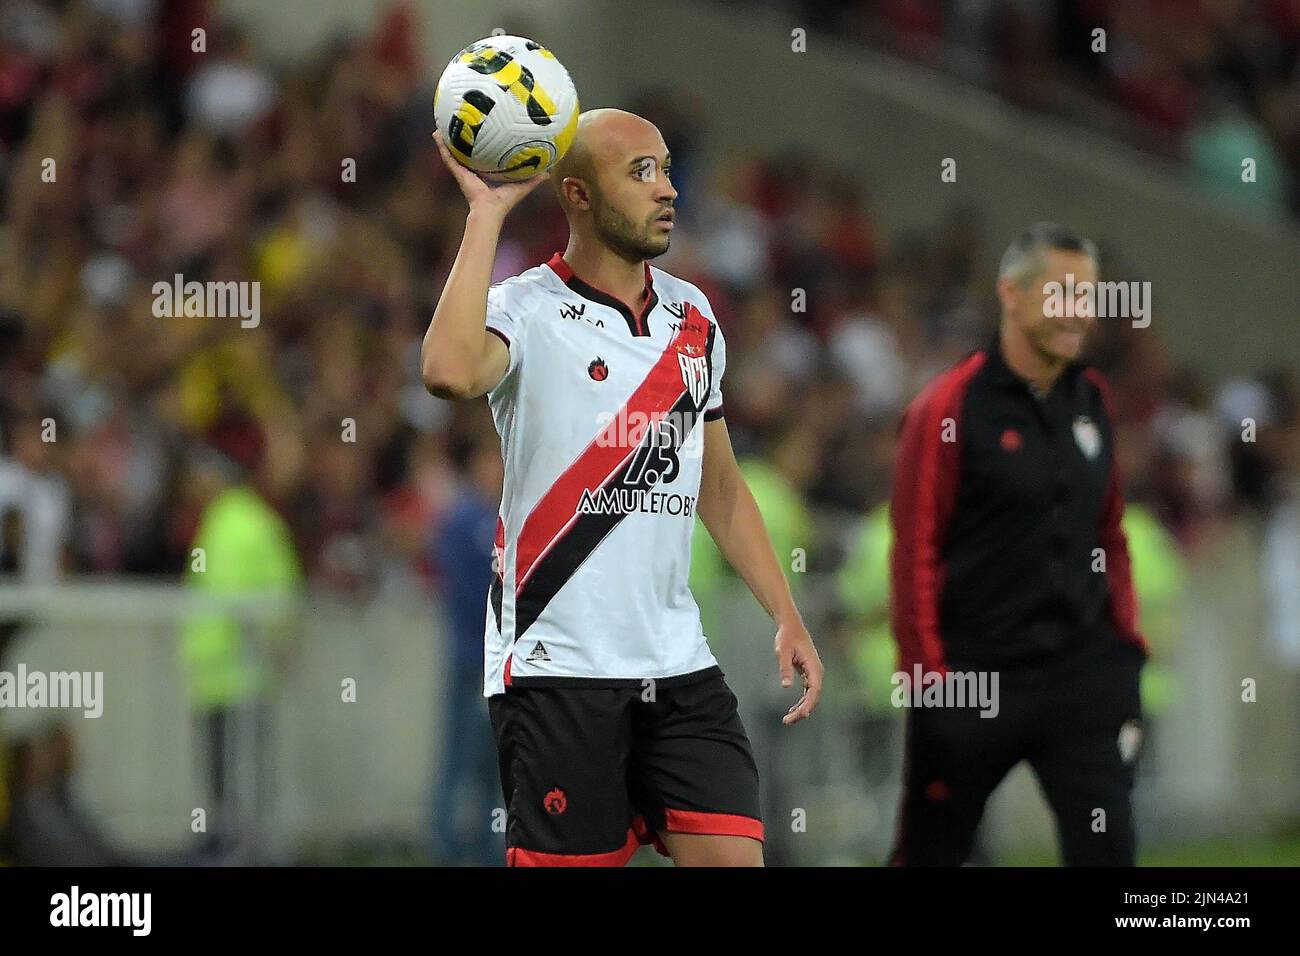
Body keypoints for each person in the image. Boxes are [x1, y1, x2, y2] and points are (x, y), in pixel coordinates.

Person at [423, 108, 823, 867]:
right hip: (557, 672)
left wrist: (785, 612)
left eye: (667, 168)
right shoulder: (525, 310)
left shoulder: (695, 318)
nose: (667, 189)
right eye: (640, 173)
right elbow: (446, 371)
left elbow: (723, 489)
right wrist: (484, 214)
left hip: (677, 666)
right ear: (576, 194)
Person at [887, 223, 1149, 866]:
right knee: (929, 855)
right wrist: (932, 683)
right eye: (1061, 294)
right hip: (974, 679)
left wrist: (1127, 649)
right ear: (1011, 294)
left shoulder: (1094, 400)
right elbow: (913, 550)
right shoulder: (948, 406)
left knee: (1110, 856)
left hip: (1080, 679)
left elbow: (1109, 535)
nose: (1079, 313)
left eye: (1088, 297)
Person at [428, 421, 505, 866]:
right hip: (471, 658)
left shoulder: (502, 517)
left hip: (492, 660)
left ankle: (489, 848)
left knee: (494, 760)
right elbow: (471, 592)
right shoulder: (463, 521)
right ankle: (450, 847)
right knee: (462, 757)